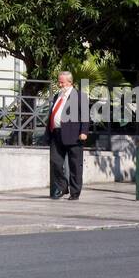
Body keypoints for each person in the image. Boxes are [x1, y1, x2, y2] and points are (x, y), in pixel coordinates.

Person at [46, 71, 89, 200]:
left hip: (74, 135)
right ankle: (63, 186)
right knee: (55, 163)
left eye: (62, 82)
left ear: (70, 82)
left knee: (75, 165)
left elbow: (85, 116)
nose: (60, 84)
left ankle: (75, 192)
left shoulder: (80, 96)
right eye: (59, 82)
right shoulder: (57, 96)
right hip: (57, 134)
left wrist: (84, 132)